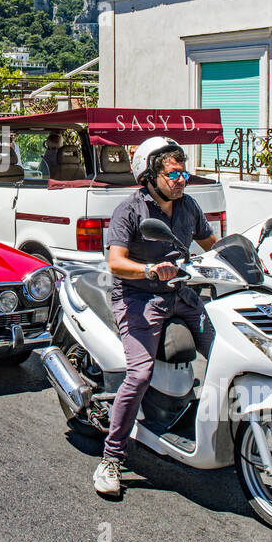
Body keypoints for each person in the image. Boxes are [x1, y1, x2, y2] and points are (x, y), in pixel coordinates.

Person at [94, 137, 218, 498]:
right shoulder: (130, 210)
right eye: (173, 174)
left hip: (180, 294)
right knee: (140, 373)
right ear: (149, 175)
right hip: (137, 296)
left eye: (185, 172)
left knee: (226, 348)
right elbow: (115, 262)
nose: (181, 180)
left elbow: (213, 246)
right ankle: (112, 458)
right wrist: (149, 270)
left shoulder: (189, 206)